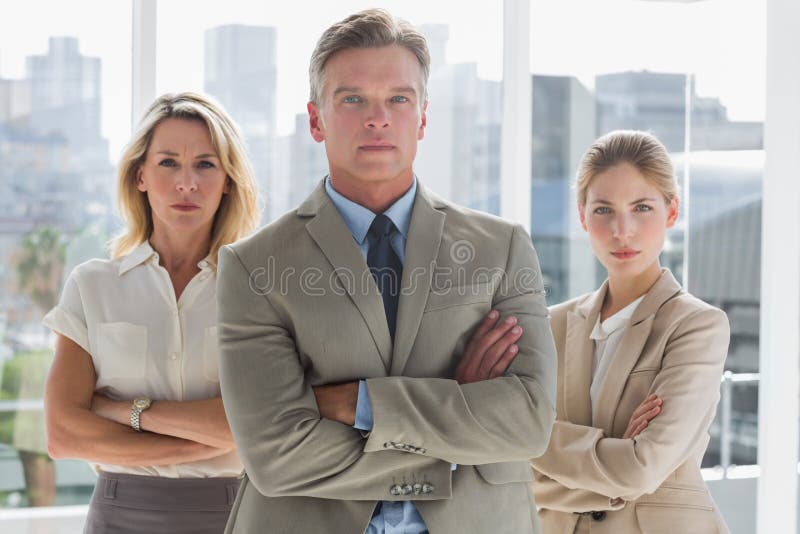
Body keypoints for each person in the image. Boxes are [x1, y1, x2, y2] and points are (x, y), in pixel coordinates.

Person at [216, 8, 557, 534]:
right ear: (315, 119)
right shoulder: (253, 266)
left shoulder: (501, 248)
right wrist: (457, 416)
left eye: (398, 99)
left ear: (422, 117)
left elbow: (530, 421)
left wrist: (362, 403)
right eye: (352, 99)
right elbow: (276, 456)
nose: (377, 118)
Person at [42, 92, 260, 533]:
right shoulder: (93, 286)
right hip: (117, 515)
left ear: (228, 181)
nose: (186, 183)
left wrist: (123, 412)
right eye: (168, 163)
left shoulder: (260, 290)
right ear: (139, 175)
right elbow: (63, 435)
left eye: (205, 164)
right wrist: (207, 441)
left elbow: (260, 424)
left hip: (234, 517)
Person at [530, 130, 730, 533]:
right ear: (583, 215)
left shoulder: (696, 326)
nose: (623, 230)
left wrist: (534, 440)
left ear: (671, 213)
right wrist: (614, 454)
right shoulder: (550, 325)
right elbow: (508, 471)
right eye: (604, 210)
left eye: (641, 207)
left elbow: (641, 468)